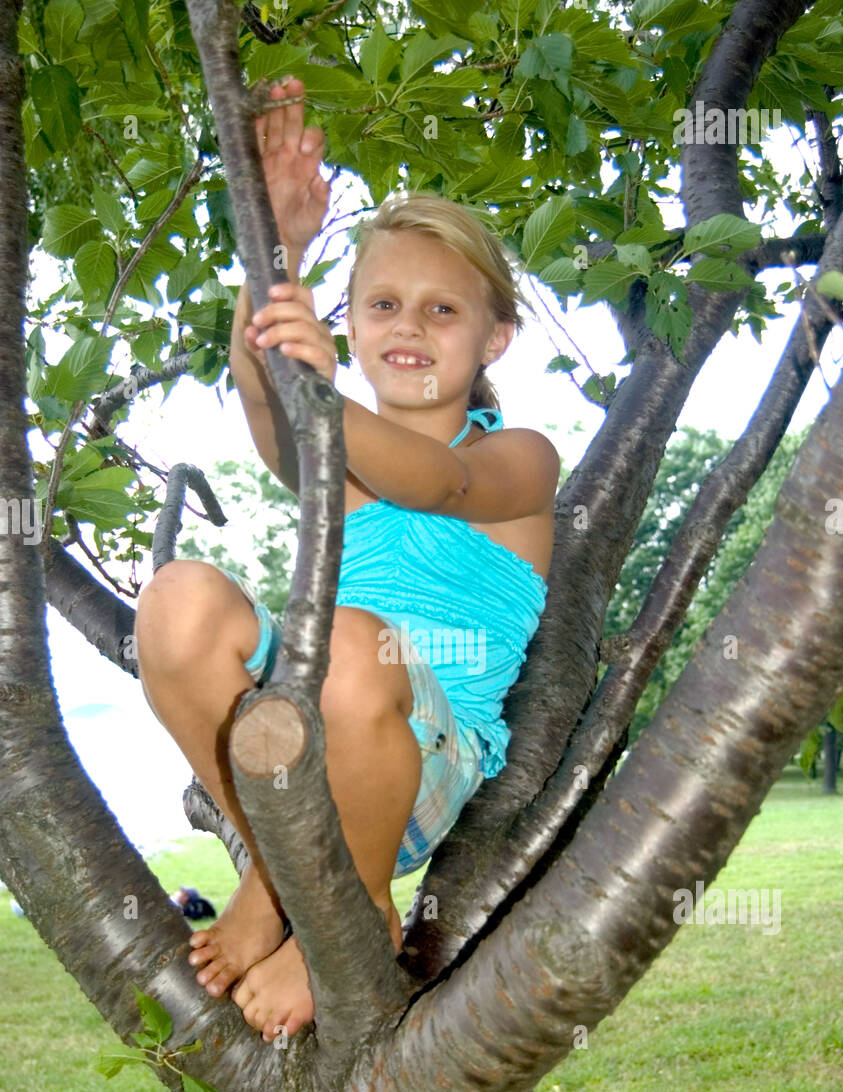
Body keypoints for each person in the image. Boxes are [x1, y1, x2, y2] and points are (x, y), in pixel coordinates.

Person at [133, 77, 559, 1042]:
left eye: (441, 310)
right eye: (383, 304)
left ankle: (356, 904)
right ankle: (274, 868)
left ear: (494, 338)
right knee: (176, 600)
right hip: (300, 743)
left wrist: (326, 399)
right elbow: (263, 396)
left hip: (414, 760)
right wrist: (277, 245)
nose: (407, 327)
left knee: (356, 643)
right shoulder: (341, 454)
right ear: (352, 325)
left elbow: (439, 482)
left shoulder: (520, 459)